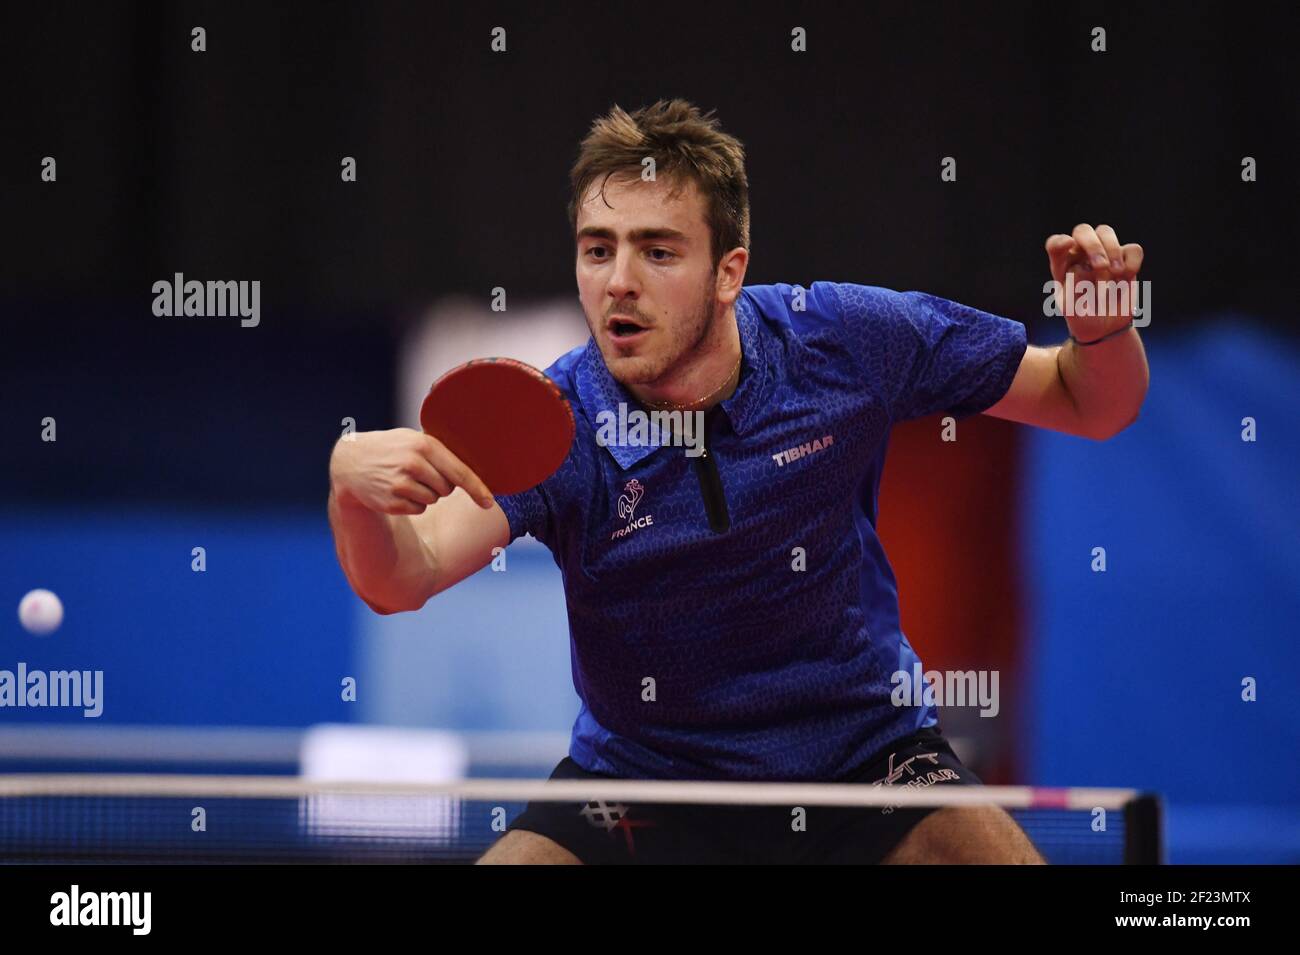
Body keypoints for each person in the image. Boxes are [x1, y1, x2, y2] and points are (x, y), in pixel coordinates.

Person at [328, 99, 1148, 864]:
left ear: (729, 271)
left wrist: (1105, 329)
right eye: (597, 249)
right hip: (642, 782)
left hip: (864, 760)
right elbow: (405, 573)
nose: (618, 280)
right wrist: (349, 492)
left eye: (657, 250)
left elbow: (1088, 401)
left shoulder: (843, 342)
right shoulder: (560, 422)